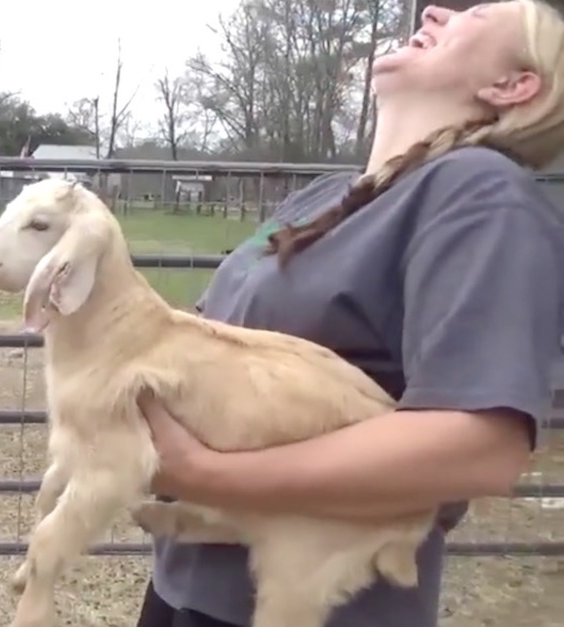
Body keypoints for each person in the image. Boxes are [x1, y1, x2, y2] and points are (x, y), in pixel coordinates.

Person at [134, 2, 564, 627]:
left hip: (319, 601)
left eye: (479, 14)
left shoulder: (482, 197)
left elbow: (479, 446)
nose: (437, 11)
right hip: (192, 583)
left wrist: (209, 476)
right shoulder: (325, 195)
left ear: (512, 84)